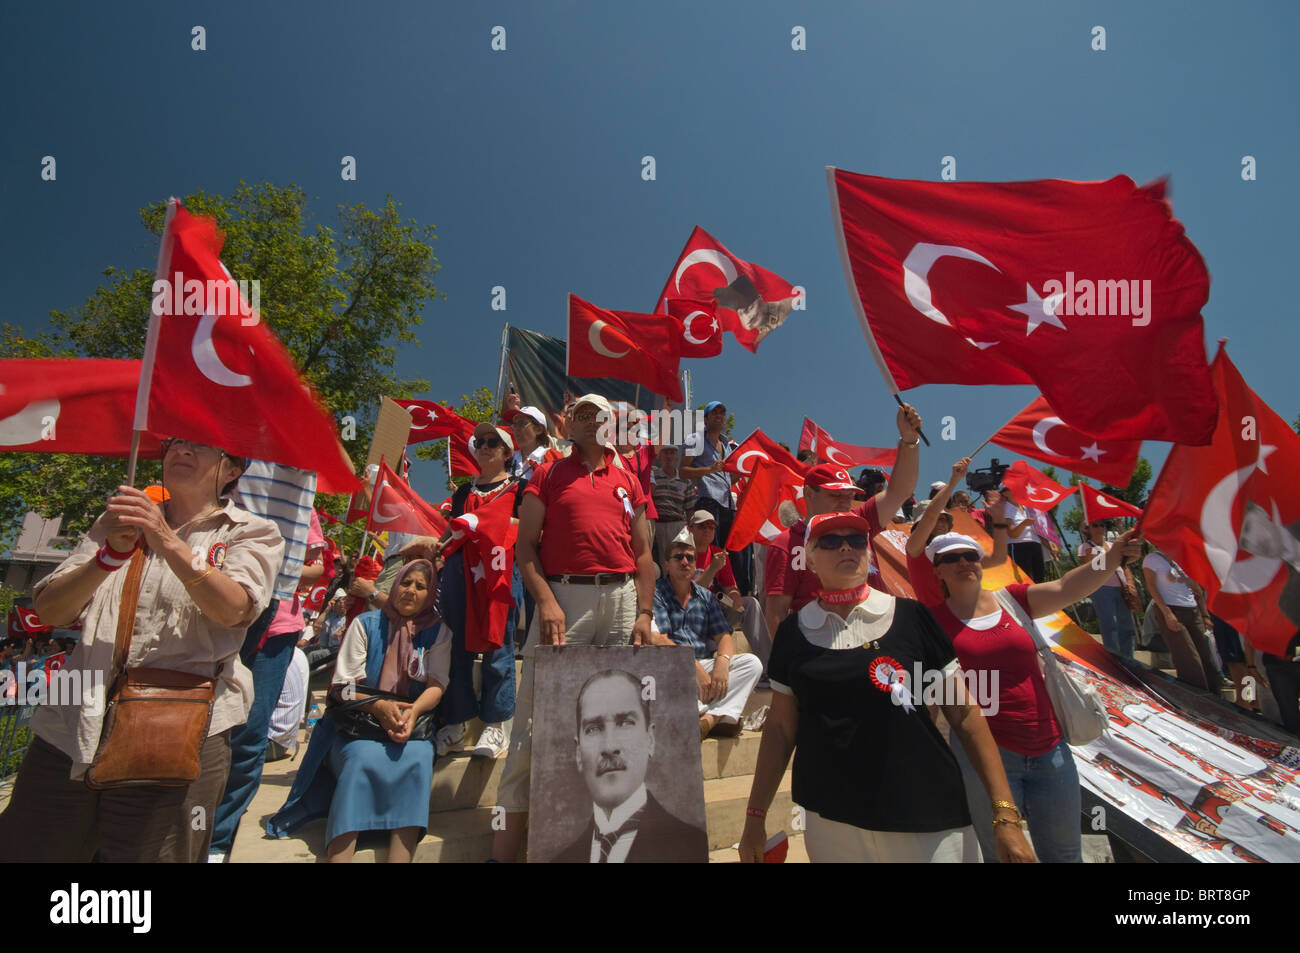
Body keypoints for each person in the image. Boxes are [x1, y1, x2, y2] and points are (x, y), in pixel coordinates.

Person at [0, 438, 282, 863]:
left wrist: (165, 538)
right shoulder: (116, 520)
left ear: (232, 470)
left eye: (200, 446)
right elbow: (49, 610)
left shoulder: (252, 531)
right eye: (175, 443)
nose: (181, 451)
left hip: (177, 733)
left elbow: (234, 609)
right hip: (71, 720)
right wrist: (108, 556)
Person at [739, 513, 1034, 863]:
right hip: (832, 823)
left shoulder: (912, 616)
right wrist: (755, 816)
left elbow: (965, 713)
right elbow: (780, 728)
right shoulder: (792, 633)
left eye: (857, 539)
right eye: (831, 541)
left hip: (927, 816)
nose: (846, 546)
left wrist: (1005, 812)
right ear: (811, 560)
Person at [492, 393, 657, 862]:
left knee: (617, 727)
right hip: (565, 599)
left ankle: (602, 847)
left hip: (624, 601)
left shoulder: (629, 475)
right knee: (531, 728)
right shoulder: (547, 473)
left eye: (597, 415)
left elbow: (644, 555)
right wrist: (545, 599)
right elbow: (525, 546)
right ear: (569, 423)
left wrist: (644, 613)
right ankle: (503, 853)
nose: (589, 421)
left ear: (609, 423)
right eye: (581, 415)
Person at [928, 528, 1142, 863]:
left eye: (970, 555)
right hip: (985, 758)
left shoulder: (1013, 601)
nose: (963, 563)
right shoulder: (932, 624)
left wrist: (1113, 555)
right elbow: (929, 694)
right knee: (1003, 854)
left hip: (1050, 748)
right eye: (951, 558)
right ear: (937, 569)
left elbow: (1067, 586)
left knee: (1065, 855)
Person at [267, 559, 451, 862]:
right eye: (406, 583)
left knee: (419, 760)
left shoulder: (439, 633)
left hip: (409, 728)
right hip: (358, 728)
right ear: (394, 585)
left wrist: (413, 711)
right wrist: (378, 707)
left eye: (421, 587)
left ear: (430, 594)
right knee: (362, 758)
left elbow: (437, 684)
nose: (411, 591)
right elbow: (342, 687)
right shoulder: (365, 625)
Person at [209, 468, 324, 862]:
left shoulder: (302, 504)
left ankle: (218, 840)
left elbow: (315, 568)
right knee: (205, 728)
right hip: (220, 616)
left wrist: (272, 565)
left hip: (276, 628)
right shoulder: (224, 484)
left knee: (250, 730)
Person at [765, 402, 923, 642]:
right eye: (835, 495)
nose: (844, 502)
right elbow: (776, 612)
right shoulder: (786, 544)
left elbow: (899, 491)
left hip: (878, 637)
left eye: (849, 495)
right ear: (809, 494)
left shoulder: (861, 520)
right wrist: (788, 668)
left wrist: (909, 441)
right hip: (822, 644)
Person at [548, 669, 709, 862]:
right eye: (593, 729)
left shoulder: (691, 846)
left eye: (625, 723)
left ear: (650, 739)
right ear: (578, 752)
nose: (609, 746)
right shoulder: (562, 859)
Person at [434, 421, 522, 760]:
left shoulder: (520, 487)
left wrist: (487, 525)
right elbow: (450, 535)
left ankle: (496, 723)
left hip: (499, 569)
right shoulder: (461, 493)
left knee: (499, 640)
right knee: (457, 641)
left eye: (493, 442)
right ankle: (456, 720)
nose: (484, 446)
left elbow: (531, 527)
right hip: (461, 571)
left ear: (506, 453)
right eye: (480, 441)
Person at [655, 529, 763, 739]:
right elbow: (659, 639)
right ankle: (721, 717)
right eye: (678, 557)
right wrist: (693, 667)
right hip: (674, 667)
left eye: (690, 558)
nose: (685, 562)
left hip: (704, 667)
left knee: (752, 664)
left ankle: (707, 721)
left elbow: (723, 636)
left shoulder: (705, 596)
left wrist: (722, 663)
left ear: (696, 565)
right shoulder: (657, 592)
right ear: (667, 564)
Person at [905, 459, 1009, 605]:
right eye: (937, 519)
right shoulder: (915, 550)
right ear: (919, 526)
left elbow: (998, 558)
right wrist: (954, 481)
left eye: (944, 519)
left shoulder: (958, 553)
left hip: (964, 619)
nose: (940, 523)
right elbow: (930, 515)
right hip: (935, 622)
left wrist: (1000, 521)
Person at [688, 510, 770, 669]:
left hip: (718, 608)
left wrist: (735, 597)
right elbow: (688, 593)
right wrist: (712, 569)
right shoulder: (684, 554)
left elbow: (730, 587)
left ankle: (769, 667)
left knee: (751, 603)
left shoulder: (717, 553)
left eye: (711, 527)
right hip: (694, 612)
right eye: (702, 526)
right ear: (690, 529)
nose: (707, 530)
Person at [681, 401, 749, 593]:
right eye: (714, 413)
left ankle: (731, 592)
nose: (719, 416)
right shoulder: (695, 439)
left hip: (728, 504)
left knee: (730, 552)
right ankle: (708, 589)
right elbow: (683, 471)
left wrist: (746, 473)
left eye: (722, 413)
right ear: (706, 418)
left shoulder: (727, 444)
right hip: (708, 500)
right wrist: (708, 469)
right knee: (711, 548)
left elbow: (727, 477)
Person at [1142, 547, 1224, 693]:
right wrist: (1167, 613)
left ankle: (1215, 694)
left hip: (1192, 609)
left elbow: (1196, 588)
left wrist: (1204, 615)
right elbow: (1152, 587)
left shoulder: (1180, 559)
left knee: (1206, 654)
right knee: (1188, 657)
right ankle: (1197, 696)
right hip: (1171, 609)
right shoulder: (1152, 559)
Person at [1079, 520, 1137, 659]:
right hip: (1101, 588)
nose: (1099, 528)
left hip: (1120, 588)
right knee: (1110, 624)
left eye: (1102, 525)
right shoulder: (1085, 547)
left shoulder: (1112, 545)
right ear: (1088, 530)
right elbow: (1094, 567)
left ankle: (1129, 658)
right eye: (1095, 525)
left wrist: (1130, 582)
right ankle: (1115, 659)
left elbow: (1124, 565)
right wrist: (1100, 555)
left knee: (1127, 625)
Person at [650, 444, 697, 564]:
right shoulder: (653, 476)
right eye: (665, 453)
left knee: (678, 559)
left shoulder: (685, 480)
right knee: (658, 562)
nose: (669, 456)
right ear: (659, 457)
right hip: (657, 525)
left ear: (677, 458)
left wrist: (691, 529)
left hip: (678, 525)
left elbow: (690, 508)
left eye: (672, 453)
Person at [997, 493, 1047, 582]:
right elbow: (1012, 533)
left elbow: (1037, 530)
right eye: (1014, 490)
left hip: (1035, 544)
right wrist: (1023, 524)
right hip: (1019, 546)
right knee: (1025, 580)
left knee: (1039, 580)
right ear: (1005, 493)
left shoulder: (1028, 507)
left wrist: (1049, 544)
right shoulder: (1006, 508)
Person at [509, 405, 563, 480]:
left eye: (521, 423)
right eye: (514, 424)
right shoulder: (508, 457)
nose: (516, 428)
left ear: (538, 429)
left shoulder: (553, 458)